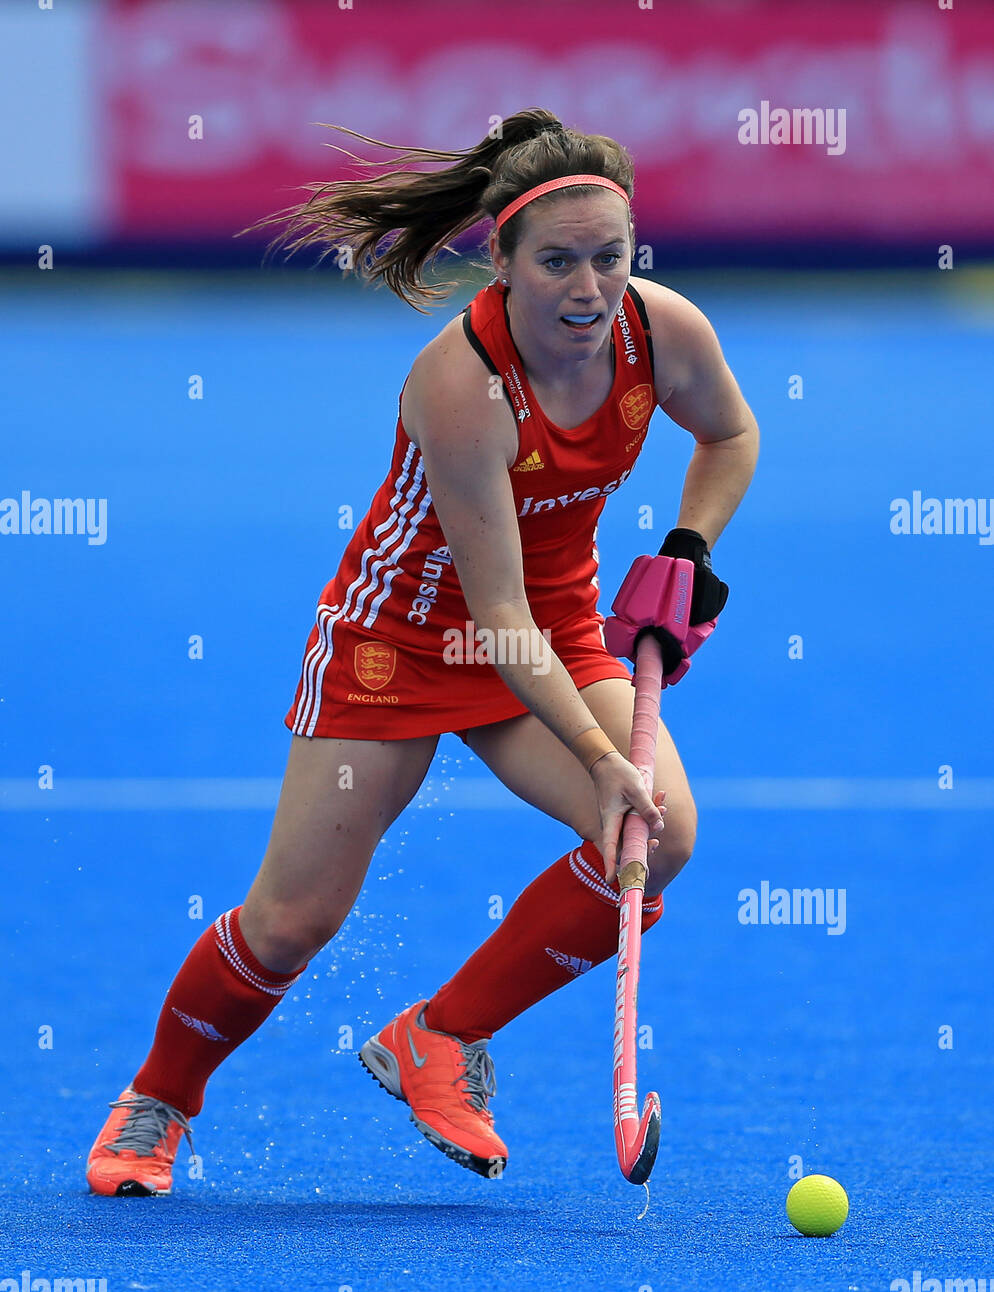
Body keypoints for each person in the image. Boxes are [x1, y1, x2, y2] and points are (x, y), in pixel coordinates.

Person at [86, 108, 758, 1194]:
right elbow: (490, 614)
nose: (588, 290)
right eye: (556, 264)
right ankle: (157, 1098)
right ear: (497, 262)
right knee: (294, 918)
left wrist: (688, 547)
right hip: (394, 638)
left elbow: (728, 435)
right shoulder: (462, 384)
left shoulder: (662, 330)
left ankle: (438, 1035)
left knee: (660, 833)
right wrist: (598, 754)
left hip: (553, 623)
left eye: (609, 258)